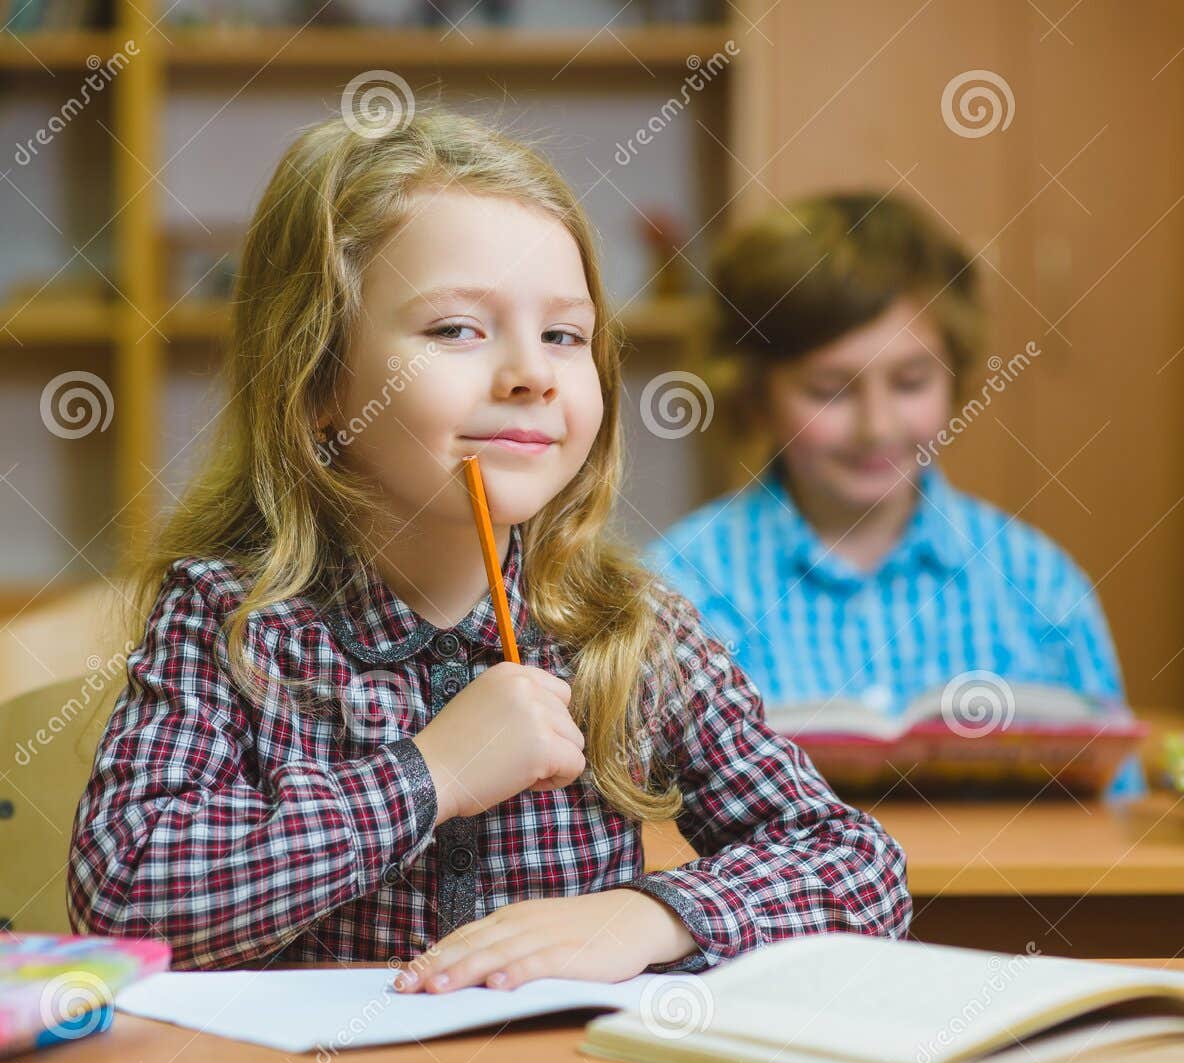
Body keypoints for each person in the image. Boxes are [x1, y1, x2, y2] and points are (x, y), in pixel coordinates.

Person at [66, 110, 911, 986]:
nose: (532, 374)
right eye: (457, 330)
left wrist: (650, 915)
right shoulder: (232, 620)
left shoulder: (628, 630)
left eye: (564, 336)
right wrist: (431, 774)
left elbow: (855, 865)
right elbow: (124, 893)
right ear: (318, 382)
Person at [646, 191, 1142, 799]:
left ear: (954, 376)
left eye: (911, 381)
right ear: (754, 392)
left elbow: (1119, 810)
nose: (877, 425)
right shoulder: (679, 588)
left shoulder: (1036, 582)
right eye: (830, 388)